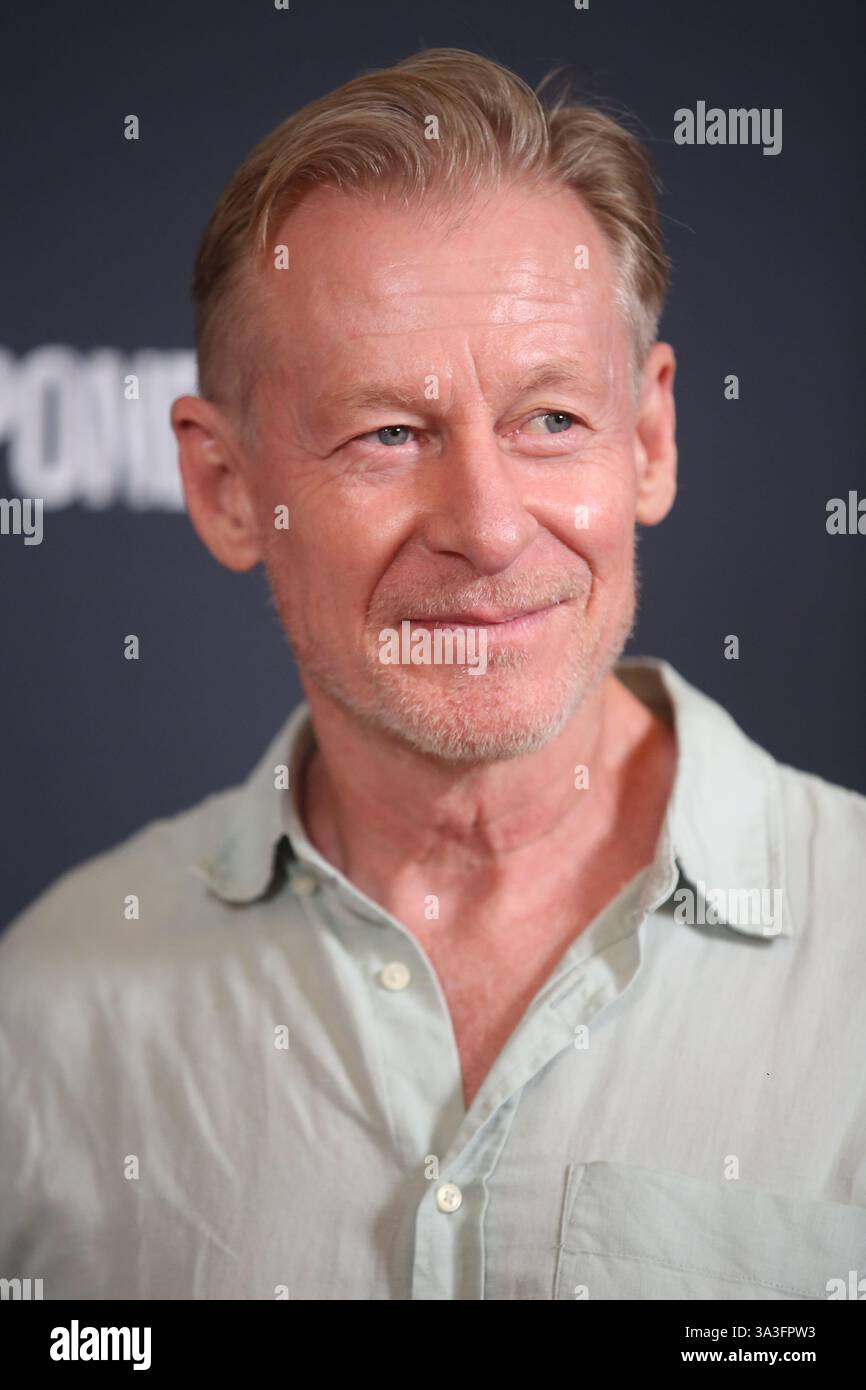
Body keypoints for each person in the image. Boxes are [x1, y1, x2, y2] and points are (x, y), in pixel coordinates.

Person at [1, 48, 864, 1302]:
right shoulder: (49, 1011)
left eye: (550, 420)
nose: (487, 524)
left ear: (649, 441)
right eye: (387, 434)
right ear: (225, 487)